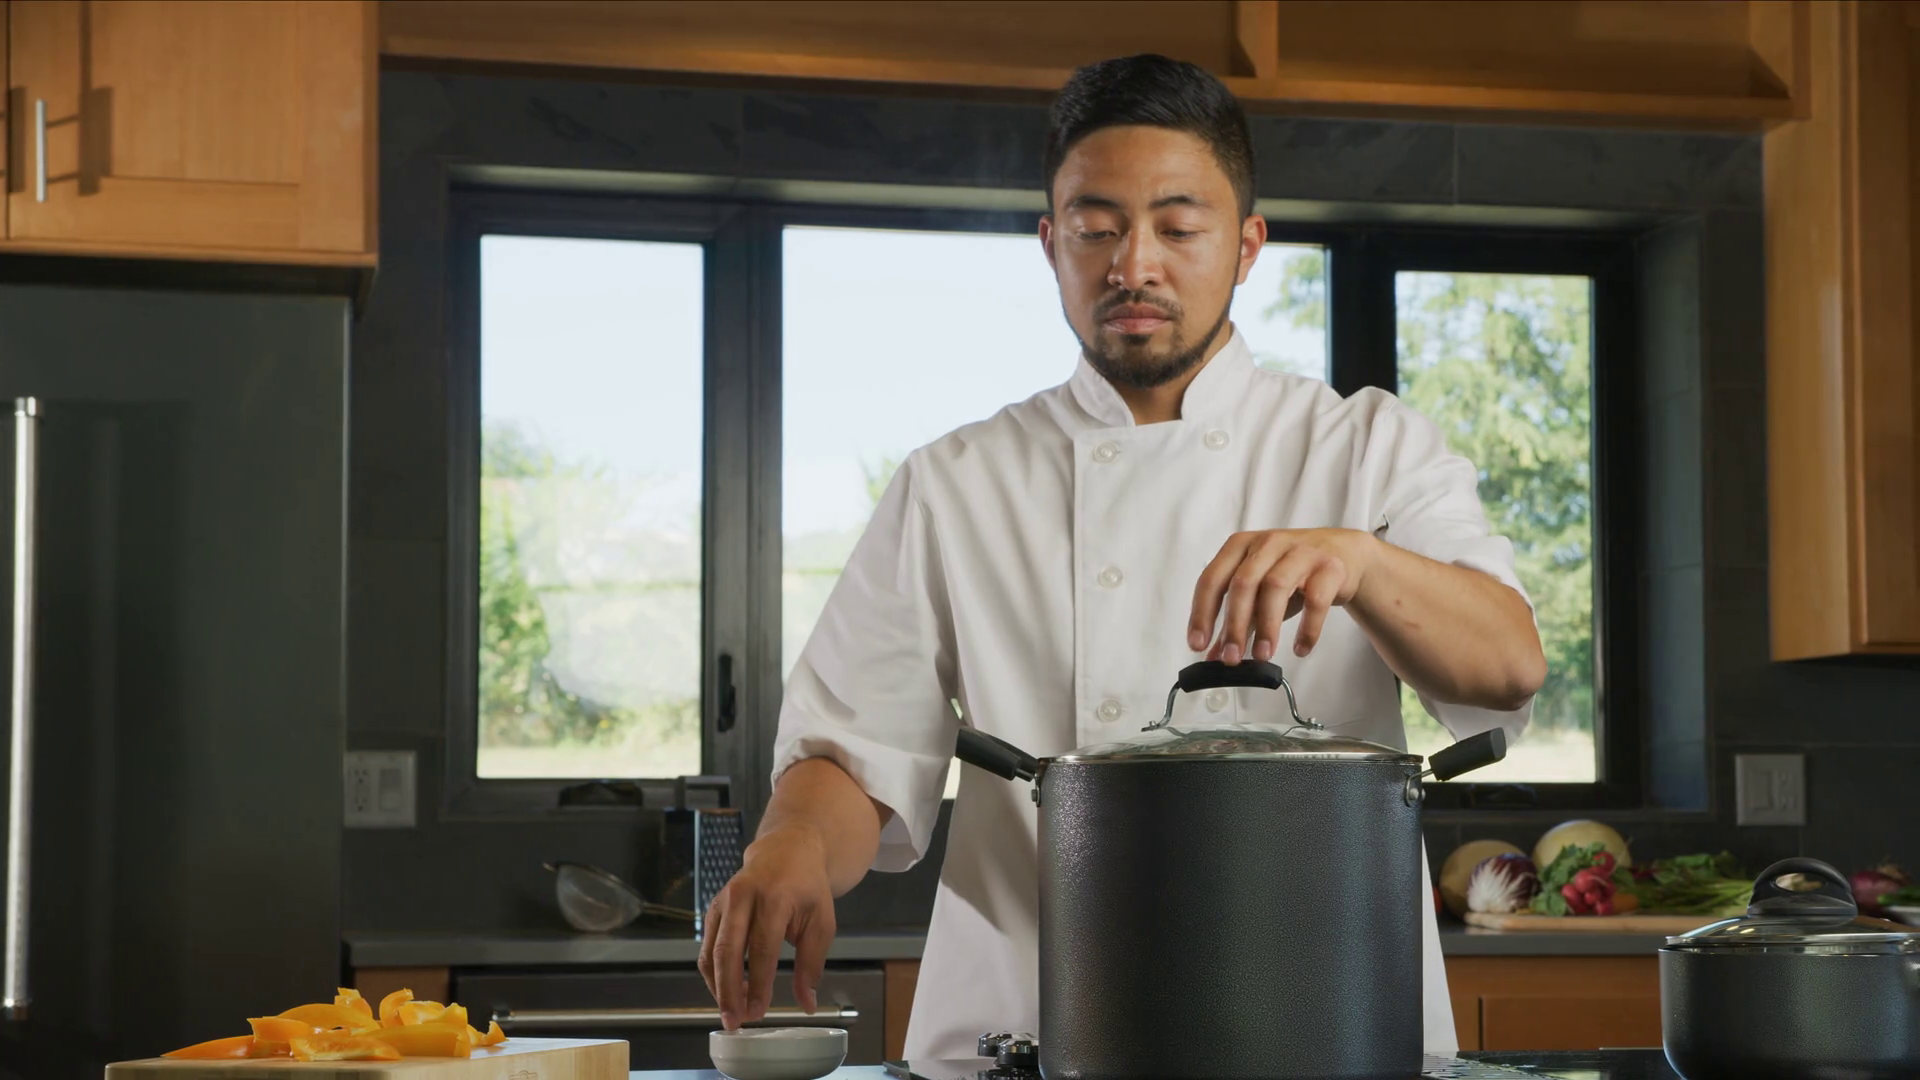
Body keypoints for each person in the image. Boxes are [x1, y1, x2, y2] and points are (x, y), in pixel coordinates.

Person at [698, 53, 1546, 1059]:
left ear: (1246, 247)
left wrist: (1363, 563)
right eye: (1096, 228)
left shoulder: (1363, 447)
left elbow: (1507, 663)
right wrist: (789, 851)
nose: (1132, 264)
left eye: (1179, 228)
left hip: (1326, 1023)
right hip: (1029, 1025)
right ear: (1051, 244)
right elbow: (854, 748)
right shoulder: (957, 479)